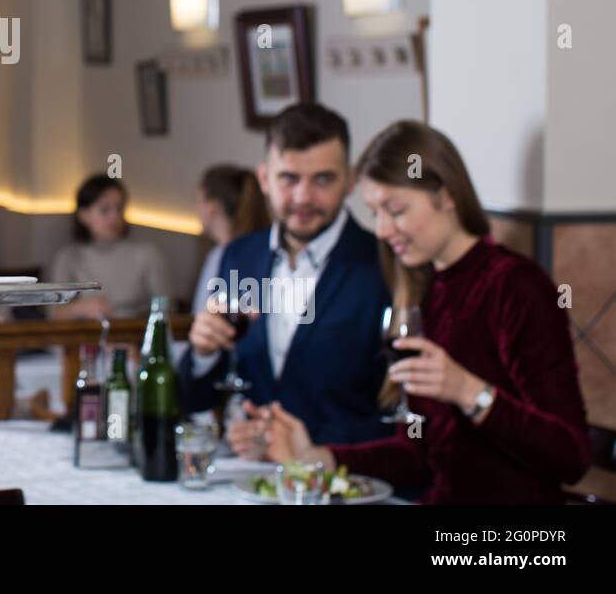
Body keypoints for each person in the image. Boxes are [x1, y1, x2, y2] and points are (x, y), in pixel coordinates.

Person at [255, 120, 590, 503]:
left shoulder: (516, 287)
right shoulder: (420, 290)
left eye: (395, 210)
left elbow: (571, 456)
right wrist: (319, 456)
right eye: (374, 213)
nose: (381, 230)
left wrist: (470, 393)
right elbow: (417, 455)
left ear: (446, 196)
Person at [180, 103, 391, 445]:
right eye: (289, 179)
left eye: (323, 179)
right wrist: (203, 354)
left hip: (347, 484)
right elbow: (196, 400)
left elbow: (402, 422)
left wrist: (305, 442)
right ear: (265, 178)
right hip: (249, 485)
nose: (303, 197)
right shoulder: (238, 257)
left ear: (350, 180)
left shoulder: (384, 265)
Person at [50, 175, 170, 319]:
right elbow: (55, 314)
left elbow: (167, 308)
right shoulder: (68, 258)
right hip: (86, 337)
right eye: (105, 210)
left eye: (119, 209)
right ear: (83, 215)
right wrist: (81, 308)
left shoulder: (147, 254)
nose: (114, 217)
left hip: (135, 336)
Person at [190, 164, 271, 316]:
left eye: (197, 200)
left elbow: (204, 315)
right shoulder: (256, 252)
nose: (195, 207)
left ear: (212, 207)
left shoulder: (225, 256)